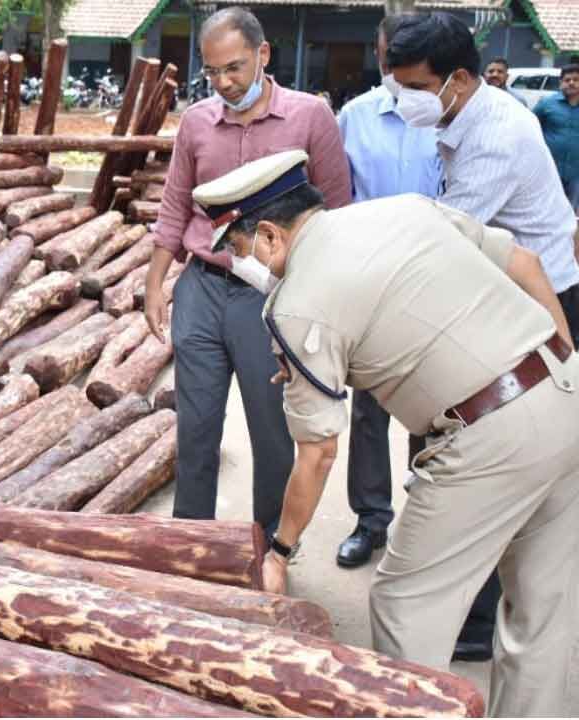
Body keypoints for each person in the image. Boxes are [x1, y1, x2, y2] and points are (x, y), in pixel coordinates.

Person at [195, 149, 578, 718]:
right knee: (542, 609)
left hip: (487, 437)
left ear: (270, 236)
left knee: (405, 602)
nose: (242, 262)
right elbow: (523, 261)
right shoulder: (404, 208)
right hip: (563, 391)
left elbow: (320, 451)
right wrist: (564, 359)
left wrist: (280, 549)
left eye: (239, 248)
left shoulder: (297, 305)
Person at [387, 11, 579, 662]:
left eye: (413, 87)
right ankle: (477, 607)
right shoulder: (460, 117)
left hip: (539, 306)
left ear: (460, 79)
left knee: (497, 458)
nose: (401, 100)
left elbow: (448, 240)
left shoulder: (496, 133)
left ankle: (482, 619)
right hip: (500, 295)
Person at [143, 6, 351, 537]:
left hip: (274, 299)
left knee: (273, 432)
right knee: (196, 429)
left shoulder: (309, 118)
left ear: (263, 55)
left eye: (234, 68)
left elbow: (337, 213)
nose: (223, 83)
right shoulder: (196, 122)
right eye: (211, 72)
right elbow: (174, 208)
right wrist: (154, 285)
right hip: (203, 291)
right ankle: (192, 545)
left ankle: (269, 550)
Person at [333, 13, 441, 570]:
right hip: (372, 288)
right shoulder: (353, 118)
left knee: (437, 410)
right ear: (378, 54)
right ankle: (371, 521)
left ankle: (424, 525)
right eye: (387, 54)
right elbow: (338, 201)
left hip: (439, 286)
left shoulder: (447, 118)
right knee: (369, 412)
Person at [534, 64, 579, 212]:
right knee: (545, 211)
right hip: (549, 170)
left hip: (576, 174)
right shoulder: (546, 104)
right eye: (567, 80)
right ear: (561, 83)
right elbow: (530, 127)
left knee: (569, 214)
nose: (571, 83)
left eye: (576, 79)